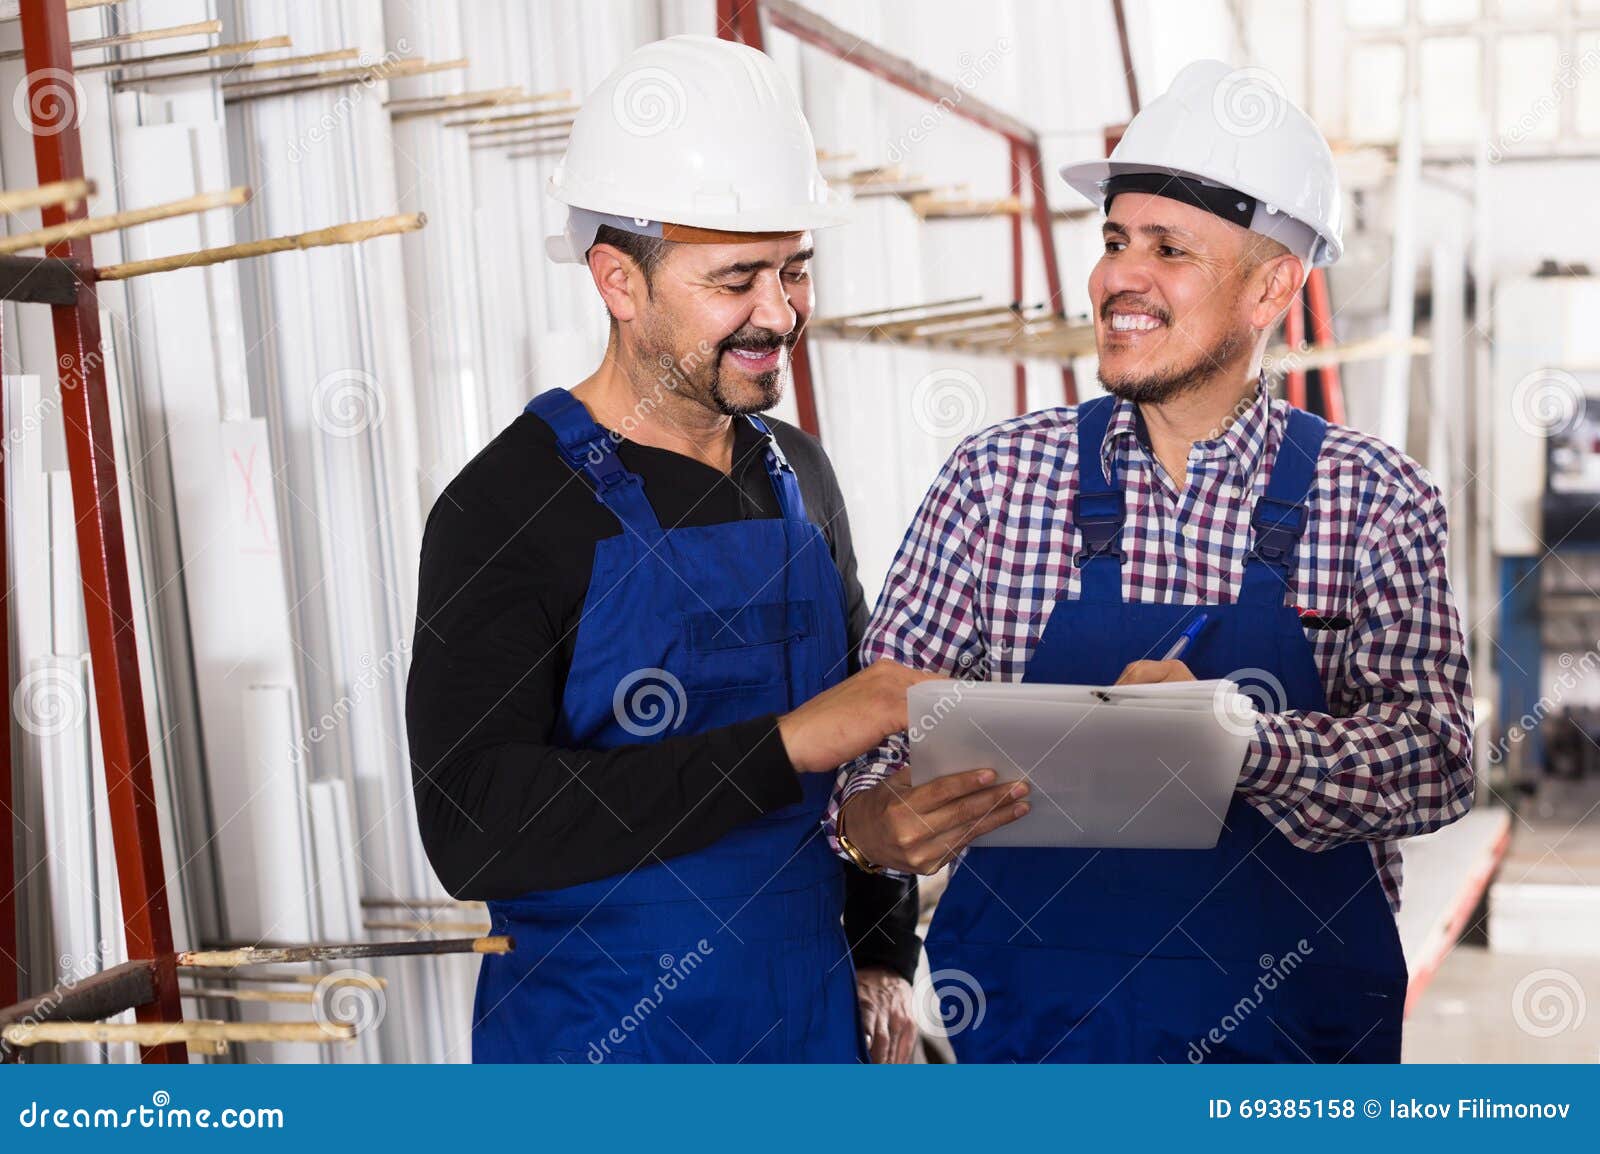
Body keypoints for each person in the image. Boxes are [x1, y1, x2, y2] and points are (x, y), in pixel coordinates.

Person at [829, 59, 1475, 1063]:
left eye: (1168, 248)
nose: (1117, 277)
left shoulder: (1375, 498)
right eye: (1115, 241)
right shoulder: (994, 482)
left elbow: (1436, 760)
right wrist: (874, 825)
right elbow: (866, 758)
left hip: (1292, 1059)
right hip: (1041, 1054)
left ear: (1270, 285)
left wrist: (1238, 744)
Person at [406, 35, 937, 1064]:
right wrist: (786, 744)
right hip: (602, 1046)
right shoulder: (508, 504)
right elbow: (475, 827)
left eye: (794, 271)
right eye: (736, 279)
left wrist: (881, 945)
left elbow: (865, 726)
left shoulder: (800, 475)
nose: (778, 314)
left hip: (810, 1028)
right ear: (618, 279)